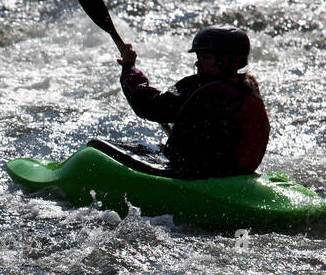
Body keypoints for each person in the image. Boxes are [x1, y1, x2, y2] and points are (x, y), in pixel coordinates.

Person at [114, 25, 270, 178]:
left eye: (205, 58)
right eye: (198, 58)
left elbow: (149, 106)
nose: (197, 63)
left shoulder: (201, 87)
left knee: (104, 148)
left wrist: (129, 67)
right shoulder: (248, 87)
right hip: (235, 173)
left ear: (229, 61)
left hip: (196, 174)